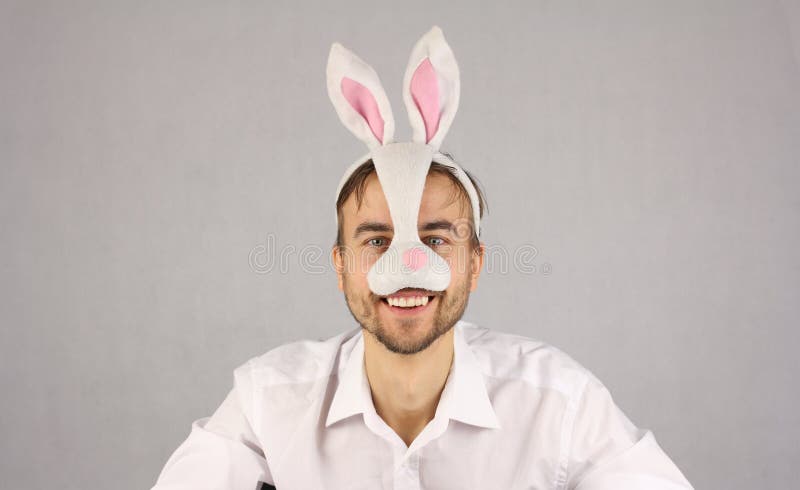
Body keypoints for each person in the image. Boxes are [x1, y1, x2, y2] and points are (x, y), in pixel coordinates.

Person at [151, 26, 694, 489]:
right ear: (339, 267)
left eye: (435, 240)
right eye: (376, 240)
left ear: (475, 263)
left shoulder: (560, 405)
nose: (407, 266)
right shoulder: (268, 403)